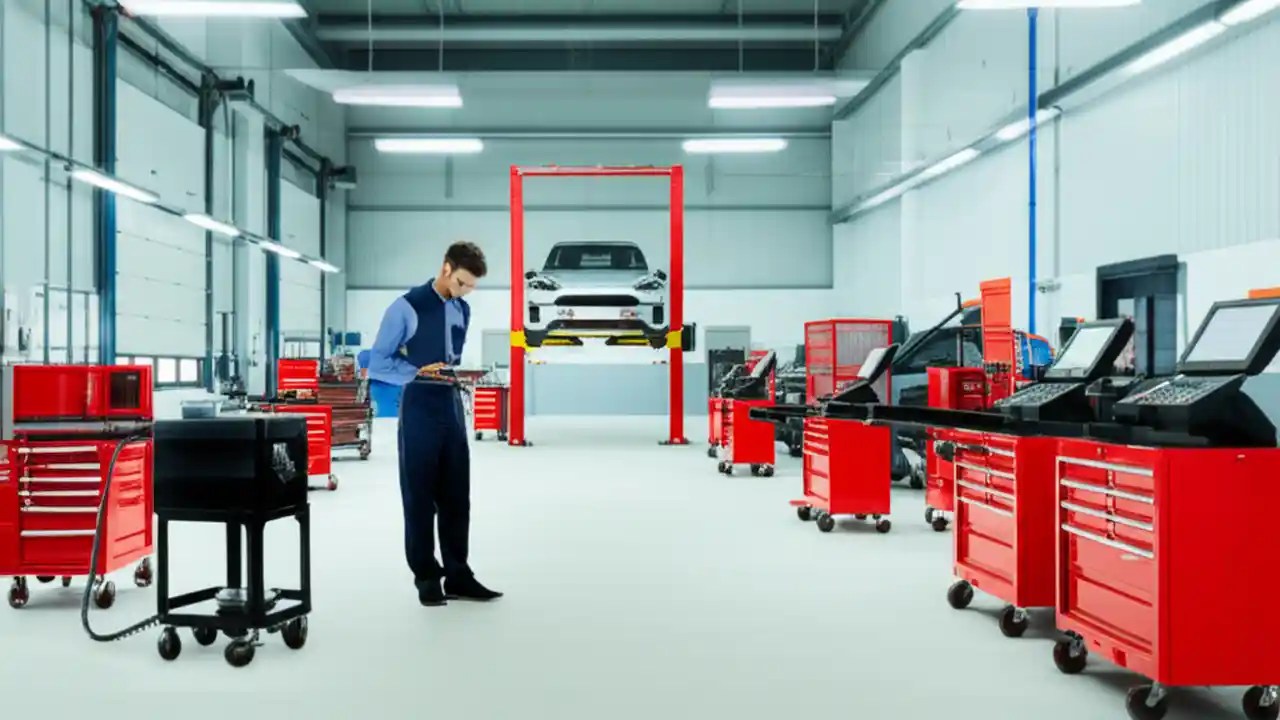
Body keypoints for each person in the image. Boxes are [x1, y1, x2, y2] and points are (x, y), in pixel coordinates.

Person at [368, 241, 503, 606]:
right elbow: (378, 363)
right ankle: (426, 576)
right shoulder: (406, 307)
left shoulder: (463, 310)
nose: (466, 291)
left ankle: (459, 574)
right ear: (446, 268)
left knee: (457, 496)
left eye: (472, 286)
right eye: (462, 283)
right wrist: (414, 371)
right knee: (419, 496)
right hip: (419, 405)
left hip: (450, 402)